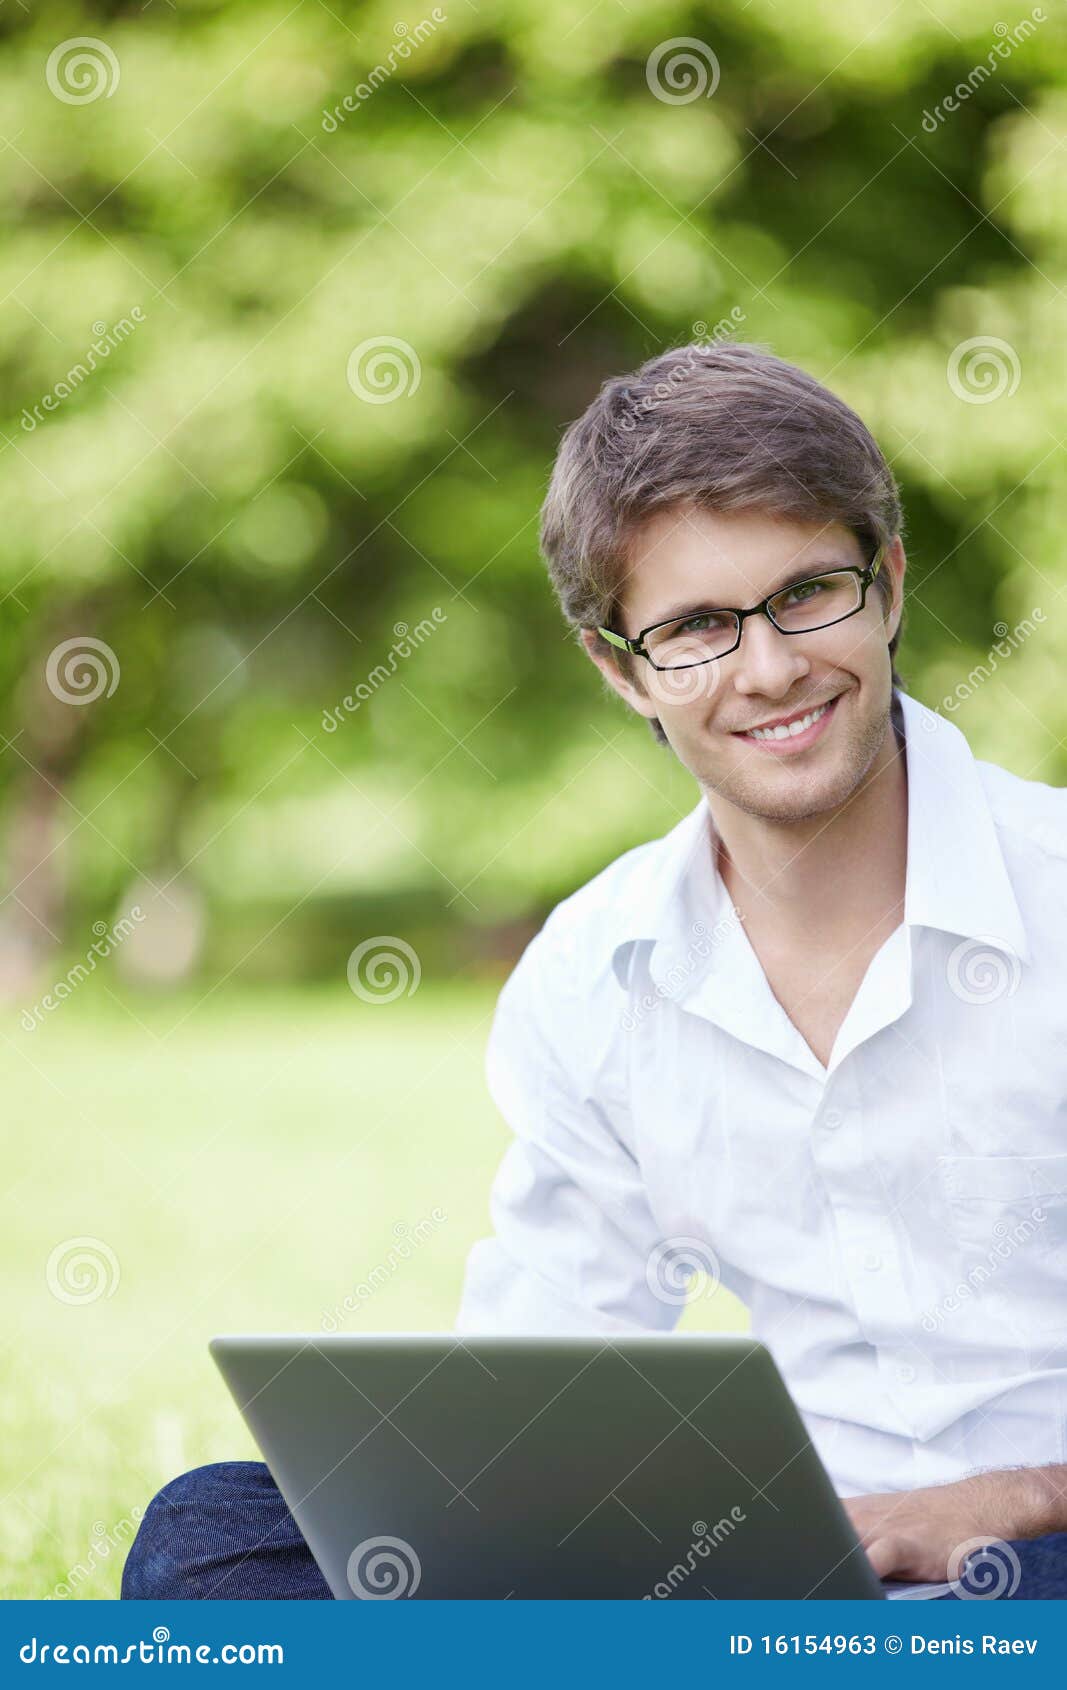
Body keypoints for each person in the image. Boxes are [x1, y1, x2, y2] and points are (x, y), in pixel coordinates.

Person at [123, 343, 1067, 1601]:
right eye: (693, 629)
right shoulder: (596, 970)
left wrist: (1000, 1502)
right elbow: (548, 1382)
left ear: (886, 585)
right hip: (791, 1573)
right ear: (619, 668)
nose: (770, 668)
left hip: (1041, 1559)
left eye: (807, 594)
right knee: (212, 1534)